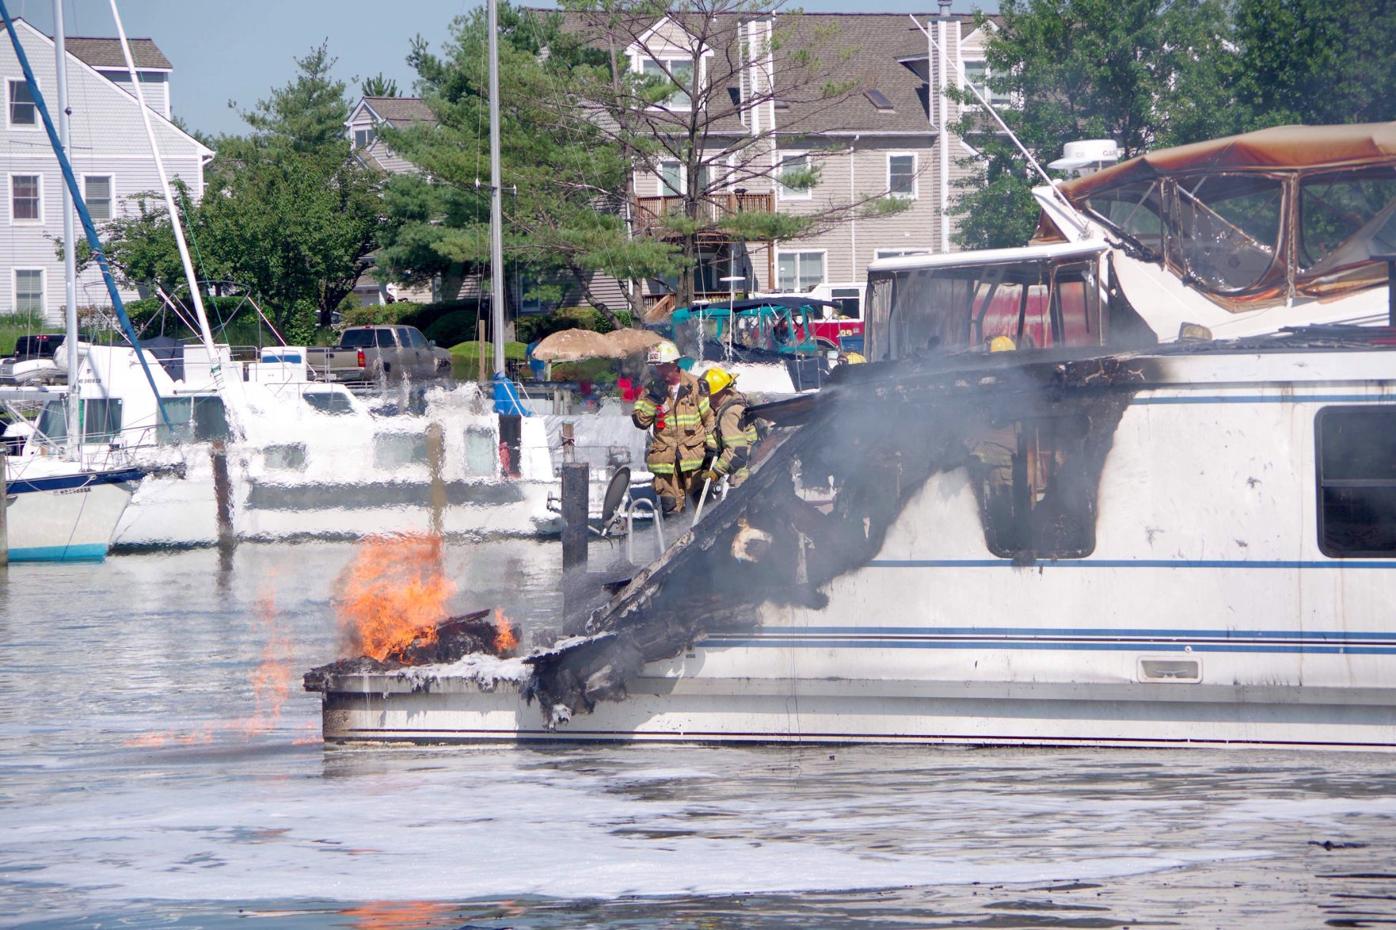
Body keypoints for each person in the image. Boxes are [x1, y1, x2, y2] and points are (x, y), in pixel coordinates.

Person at [631, 339, 715, 514]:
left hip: (695, 462)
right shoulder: (651, 390)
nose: (658, 371)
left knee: (704, 509)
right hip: (666, 463)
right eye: (655, 366)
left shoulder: (694, 386)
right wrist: (653, 399)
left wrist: (711, 450)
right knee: (670, 510)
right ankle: (674, 541)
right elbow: (641, 421)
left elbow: (709, 419)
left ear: (673, 364)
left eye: (661, 366)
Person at [698, 365, 759, 489]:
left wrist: (716, 472)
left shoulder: (729, 413)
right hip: (753, 469)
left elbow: (736, 451)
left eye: (713, 395)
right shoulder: (737, 402)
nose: (710, 400)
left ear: (724, 391)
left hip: (744, 476)